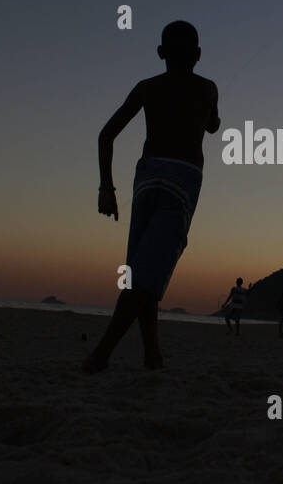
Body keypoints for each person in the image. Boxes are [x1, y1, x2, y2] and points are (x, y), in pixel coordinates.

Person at [82, 21, 221, 373]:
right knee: (146, 275)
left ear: (160, 53)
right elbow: (213, 125)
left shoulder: (147, 88)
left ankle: (152, 355)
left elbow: (105, 136)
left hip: (146, 179)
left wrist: (106, 188)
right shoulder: (208, 88)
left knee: (142, 270)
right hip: (183, 179)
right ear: (199, 55)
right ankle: (101, 355)